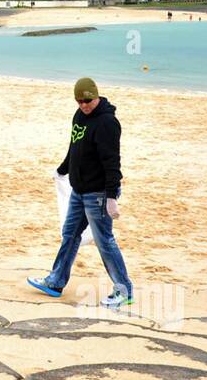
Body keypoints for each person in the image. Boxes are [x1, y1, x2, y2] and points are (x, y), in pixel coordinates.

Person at [27, 77, 133, 308]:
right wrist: (62, 170)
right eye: (79, 101)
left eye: (87, 101)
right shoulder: (79, 116)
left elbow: (112, 163)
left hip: (98, 194)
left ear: (96, 96)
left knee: (104, 241)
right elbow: (74, 148)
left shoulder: (107, 123)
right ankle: (55, 281)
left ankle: (124, 290)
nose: (84, 105)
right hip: (79, 190)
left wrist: (111, 197)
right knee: (70, 235)